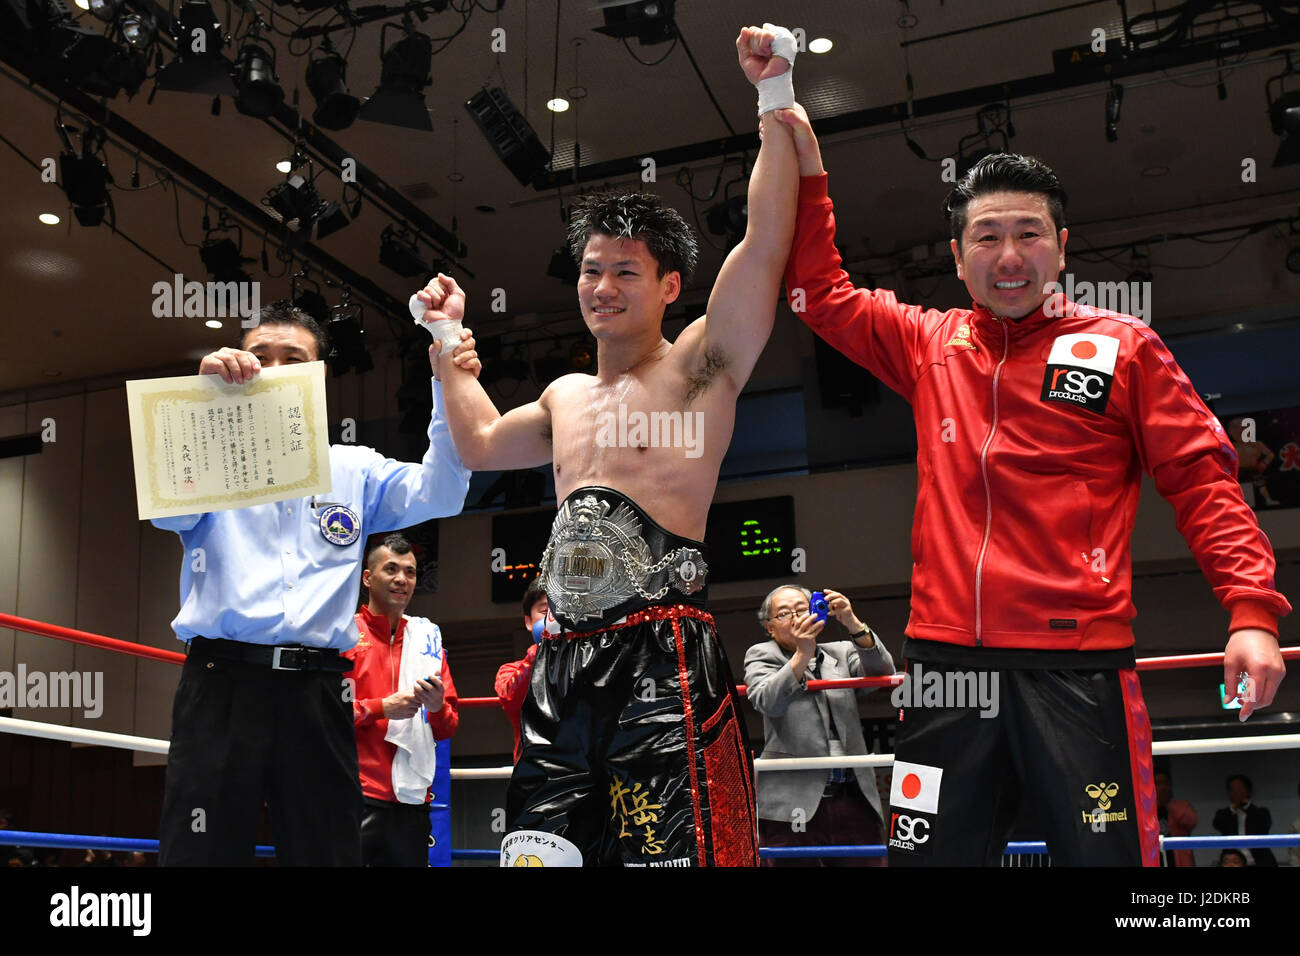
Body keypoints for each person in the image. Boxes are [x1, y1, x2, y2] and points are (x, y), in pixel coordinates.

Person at [770, 94, 1291, 866]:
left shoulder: (1122, 347)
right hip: (945, 669)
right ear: (956, 255)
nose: (1009, 256)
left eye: (1028, 234)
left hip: (1076, 667)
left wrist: (1251, 612)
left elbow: (1203, 481)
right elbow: (816, 292)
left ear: (1061, 245)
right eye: (987, 236)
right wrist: (802, 156)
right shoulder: (928, 343)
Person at [426, 25, 801, 866]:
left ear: (670, 285)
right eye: (593, 270)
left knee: (673, 855)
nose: (603, 287)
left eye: (626, 271)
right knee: (541, 855)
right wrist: (448, 342)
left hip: (661, 654)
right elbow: (481, 442)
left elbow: (767, 243)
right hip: (560, 658)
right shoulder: (564, 396)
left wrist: (774, 97)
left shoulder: (702, 366)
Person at [151, 302, 472, 866]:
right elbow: (166, 516)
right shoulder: (207, 452)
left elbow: (442, 492)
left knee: (326, 851)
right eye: (258, 358)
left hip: (319, 690)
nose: (271, 370)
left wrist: (446, 373)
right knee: (199, 850)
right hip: (220, 681)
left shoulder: (353, 469)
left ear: (317, 376)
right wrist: (199, 406)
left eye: (291, 359)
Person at [744, 586, 895, 867]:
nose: (795, 617)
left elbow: (883, 675)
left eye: (802, 609)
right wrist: (802, 654)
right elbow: (767, 701)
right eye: (784, 613)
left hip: (850, 795)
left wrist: (852, 622)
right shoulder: (761, 655)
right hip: (792, 803)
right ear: (770, 627)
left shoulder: (841, 650)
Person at [345, 533, 459, 867]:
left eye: (409, 572)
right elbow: (321, 714)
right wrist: (382, 707)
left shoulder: (427, 640)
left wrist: (436, 707)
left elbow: (448, 726)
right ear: (368, 577)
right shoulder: (343, 636)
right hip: (355, 794)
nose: (401, 579)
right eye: (391, 569)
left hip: (411, 800)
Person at [494, 578, 549, 763]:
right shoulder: (509, 671)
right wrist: (542, 649)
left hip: (580, 771)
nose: (553, 618)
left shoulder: (583, 661)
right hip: (535, 771)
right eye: (545, 611)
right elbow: (512, 697)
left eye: (560, 611)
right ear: (528, 622)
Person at [1212, 773, 1276, 867]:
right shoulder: (1224, 813)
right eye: (1233, 790)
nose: (1236, 793)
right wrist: (1233, 808)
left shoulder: (1261, 812)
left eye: (1239, 789)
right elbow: (1217, 824)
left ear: (1249, 791)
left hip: (1259, 862)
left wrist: (1247, 806)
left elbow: (1265, 824)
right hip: (1233, 863)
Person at [1154, 763, 1197, 867]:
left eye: (1166, 783)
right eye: (1158, 783)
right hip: (1154, 859)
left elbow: (1192, 821)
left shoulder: (1181, 806)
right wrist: (1156, 803)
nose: (1163, 788)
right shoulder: (1144, 811)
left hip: (1178, 861)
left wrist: (1169, 804)